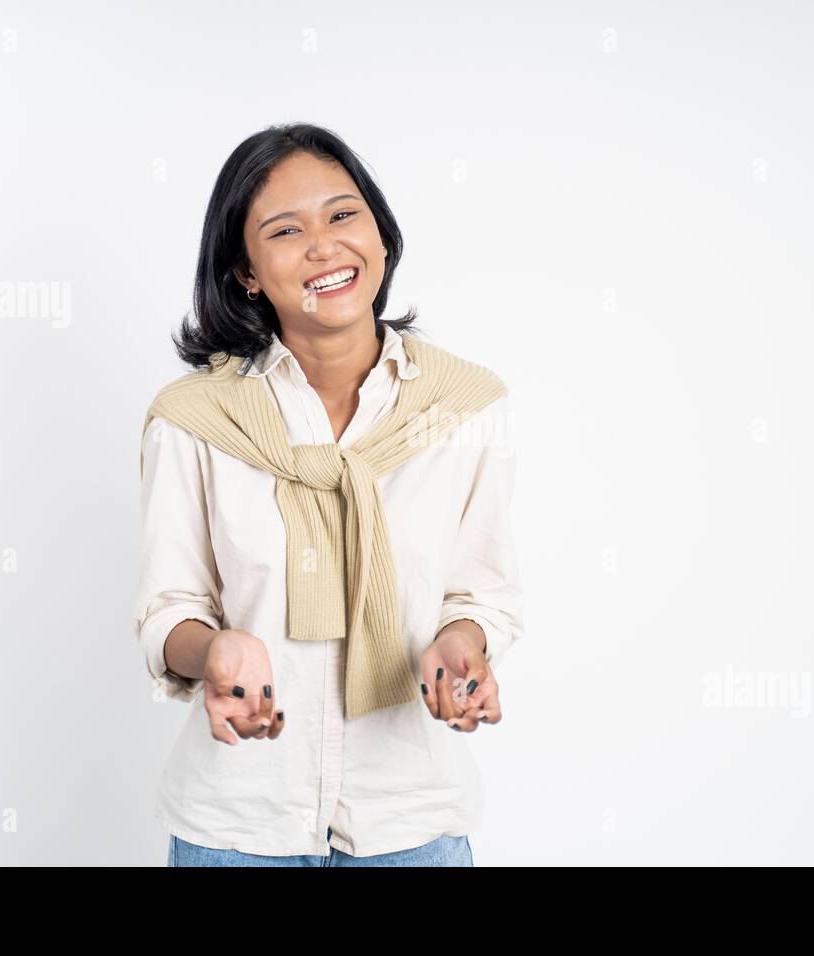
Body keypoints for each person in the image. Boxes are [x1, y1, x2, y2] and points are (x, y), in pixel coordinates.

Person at [133, 123, 523, 867]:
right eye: (285, 230)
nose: (323, 246)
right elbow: (167, 611)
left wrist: (460, 646)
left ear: (380, 236)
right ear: (246, 271)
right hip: (238, 825)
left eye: (344, 215)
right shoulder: (192, 421)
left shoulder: (466, 409)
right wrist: (215, 651)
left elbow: (484, 594)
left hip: (411, 818)